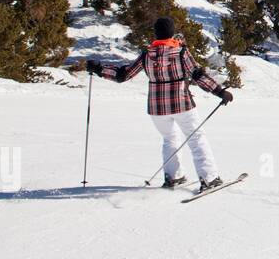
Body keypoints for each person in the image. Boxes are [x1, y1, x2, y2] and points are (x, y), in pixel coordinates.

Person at [85, 16, 233, 193]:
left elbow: (123, 75)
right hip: (181, 104)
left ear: (156, 33)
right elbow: (197, 75)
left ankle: (173, 176)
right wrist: (220, 91)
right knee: (196, 138)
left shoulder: (147, 55)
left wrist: (99, 69)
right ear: (171, 32)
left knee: (169, 139)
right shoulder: (180, 52)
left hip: (157, 109)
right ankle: (209, 179)